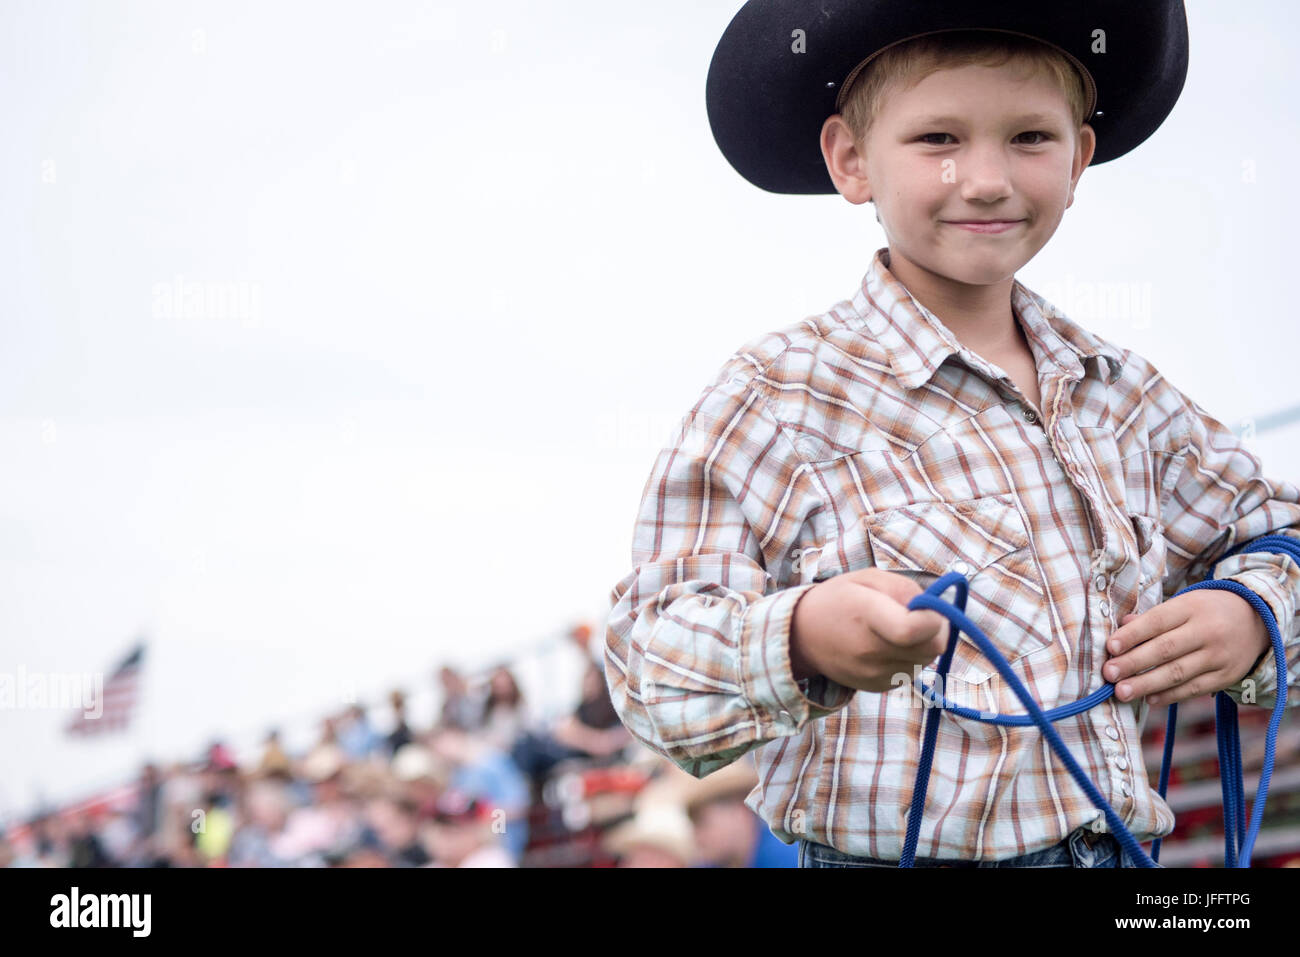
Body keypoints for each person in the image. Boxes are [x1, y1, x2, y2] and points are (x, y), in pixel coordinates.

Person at [605, 2, 1300, 869]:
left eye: (1030, 139)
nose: (985, 178)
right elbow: (648, 658)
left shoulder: (1123, 395)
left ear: (1080, 158)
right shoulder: (777, 397)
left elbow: (1278, 533)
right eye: (938, 138)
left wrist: (1254, 613)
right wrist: (803, 634)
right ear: (852, 161)